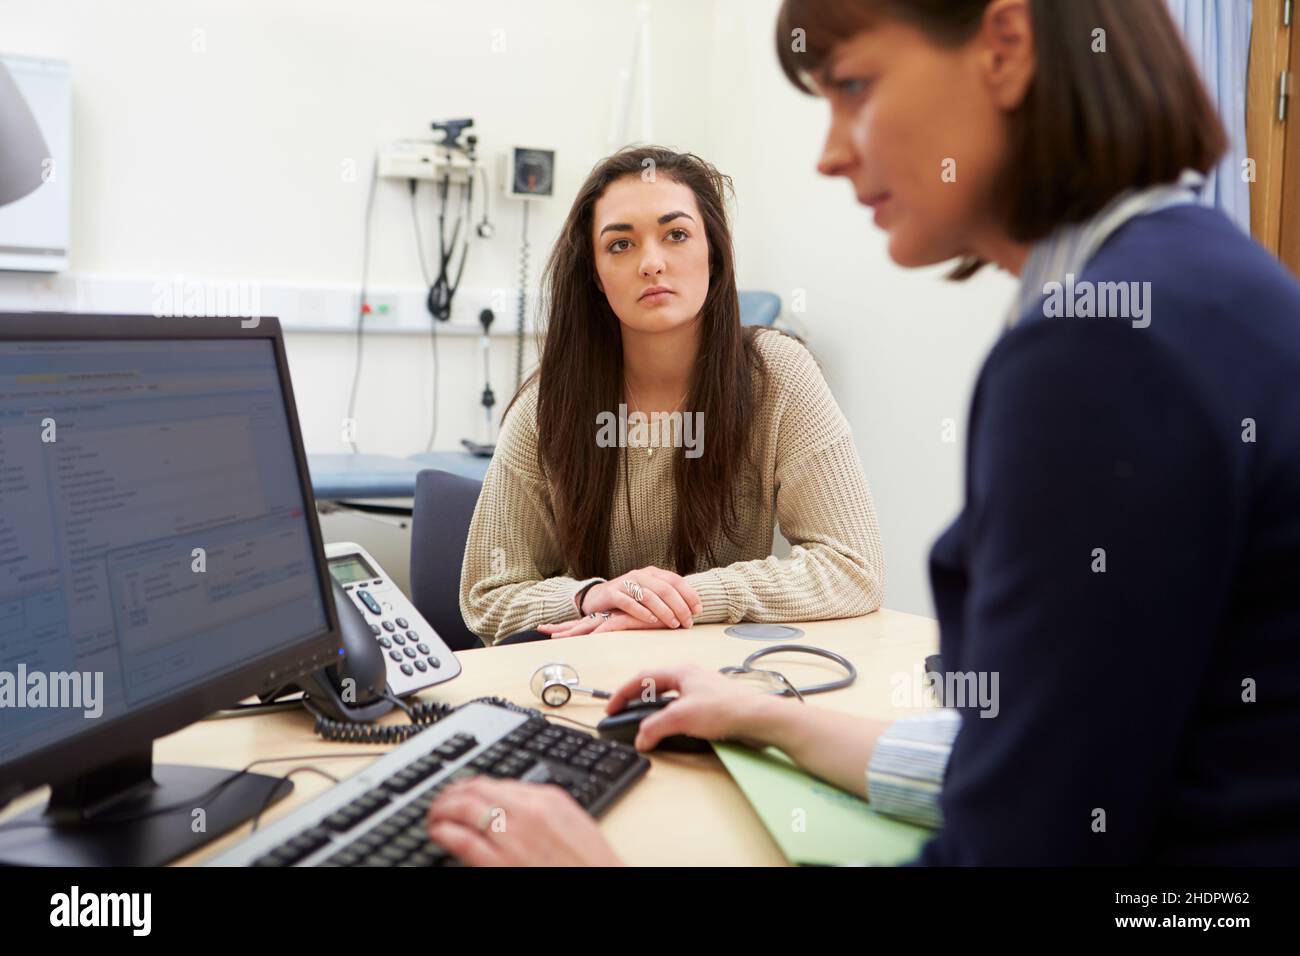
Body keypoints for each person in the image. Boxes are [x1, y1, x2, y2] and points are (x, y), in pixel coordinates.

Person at [428, 0, 1300, 865]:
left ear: (1005, 47)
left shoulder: (1097, 345)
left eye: (854, 87)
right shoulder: (1198, 287)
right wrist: (763, 714)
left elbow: (1026, 837)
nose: (832, 153)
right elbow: (1055, 764)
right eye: (620, 245)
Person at [458, 146, 885, 646]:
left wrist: (684, 600)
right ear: (595, 275)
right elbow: (488, 596)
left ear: (714, 254)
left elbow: (853, 567)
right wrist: (589, 597)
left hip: (725, 682)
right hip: (593, 679)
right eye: (620, 245)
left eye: (676, 234)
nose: (652, 263)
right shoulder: (549, 403)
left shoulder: (778, 375)